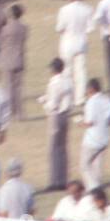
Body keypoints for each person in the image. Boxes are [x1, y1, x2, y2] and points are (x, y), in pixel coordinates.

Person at [38, 58, 73, 191]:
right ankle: (63, 179)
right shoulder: (68, 80)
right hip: (65, 115)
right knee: (63, 148)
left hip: (56, 116)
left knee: (53, 149)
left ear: (53, 69)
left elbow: (53, 104)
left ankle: (54, 181)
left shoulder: (54, 83)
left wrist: (44, 103)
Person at [79, 77, 110, 192]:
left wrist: (80, 123)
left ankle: (93, 188)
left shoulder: (91, 102)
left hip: (92, 140)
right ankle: (97, 186)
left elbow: (90, 122)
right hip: (105, 138)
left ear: (91, 89)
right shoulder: (108, 100)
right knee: (97, 166)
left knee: (84, 165)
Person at [55, 0, 94, 96]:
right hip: (81, 42)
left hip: (67, 42)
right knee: (81, 71)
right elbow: (90, 28)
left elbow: (59, 28)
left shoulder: (64, 10)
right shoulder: (88, 9)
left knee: (67, 71)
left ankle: (68, 95)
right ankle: (80, 97)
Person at [0, 4, 28, 120]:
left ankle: (9, 112)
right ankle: (20, 113)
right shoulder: (24, 28)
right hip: (19, 58)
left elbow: (0, 42)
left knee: (8, 87)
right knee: (18, 88)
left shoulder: (5, 29)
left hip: (7, 59)